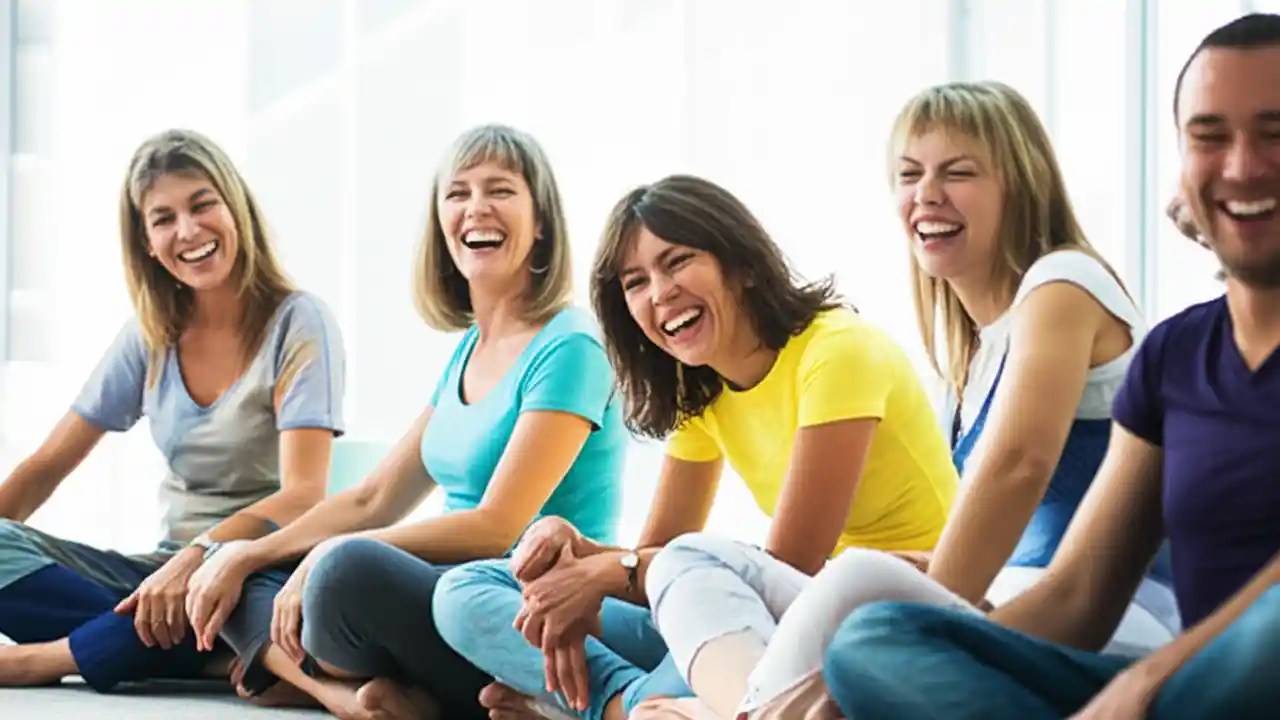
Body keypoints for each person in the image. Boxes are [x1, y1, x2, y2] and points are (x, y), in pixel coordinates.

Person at [821, 13, 1280, 719]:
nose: (1243, 165)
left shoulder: (1061, 286)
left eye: (1274, 133)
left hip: (1225, 671)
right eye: (1210, 137)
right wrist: (912, 670)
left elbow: (1023, 462)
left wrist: (1151, 675)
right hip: (1177, 693)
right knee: (871, 641)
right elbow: (1078, 595)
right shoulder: (1174, 356)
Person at [694, 80, 1180, 719]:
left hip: (1121, 616)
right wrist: (916, 575)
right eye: (909, 174)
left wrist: (917, 616)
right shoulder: (975, 361)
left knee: (857, 582)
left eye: (958, 172)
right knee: (698, 559)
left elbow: (1020, 466)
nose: (926, 194)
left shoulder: (1063, 282)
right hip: (1010, 599)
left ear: (1020, 185)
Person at [433, 174, 959, 720]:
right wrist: (573, 551)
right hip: (767, 625)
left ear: (744, 266)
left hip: (876, 615)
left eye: (677, 261)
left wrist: (606, 572)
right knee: (468, 589)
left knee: (691, 571)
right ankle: (630, 705)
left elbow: (788, 567)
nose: (659, 293)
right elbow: (653, 563)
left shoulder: (838, 352)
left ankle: (617, 707)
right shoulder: (700, 389)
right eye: (635, 281)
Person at [182, 123, 627, 720]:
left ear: (541, 219)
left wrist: (326, 553)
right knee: (238, 575)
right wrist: (251, 554)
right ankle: (358, 695)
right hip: (443, 593)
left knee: (343, 570)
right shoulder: (469, 350)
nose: (477, 209)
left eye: (500, 190)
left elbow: (498, 526)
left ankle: (323, 676)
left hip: (509, 607)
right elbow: (372, 498)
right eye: (458, 193)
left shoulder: (570, 346)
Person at [0, 129, 345, 692]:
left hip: (257, 571)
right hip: (164, 574)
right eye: (163, 218)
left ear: (235, 208)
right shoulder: (150, 335)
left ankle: (44, 659)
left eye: (202, 204)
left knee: (217, 600)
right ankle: (203, 656)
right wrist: (179, 565)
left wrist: (204, 555)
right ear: (146, 241)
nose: (188, 231)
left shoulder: (299, 323)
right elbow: (45, 466)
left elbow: (304, 494)